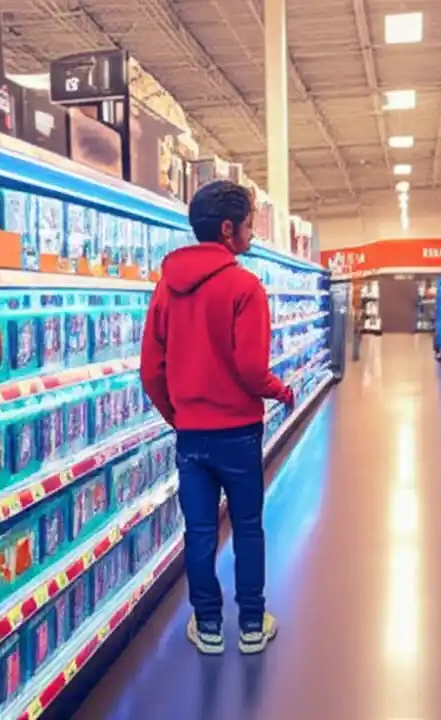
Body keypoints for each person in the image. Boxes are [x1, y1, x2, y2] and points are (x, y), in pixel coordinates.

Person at [139, 180, 295, 655]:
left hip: (192, 437)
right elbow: (250, 369)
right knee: (247, 527)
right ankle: (251, 625)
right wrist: (281, 390)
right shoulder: (245, 287)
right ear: (228, 230)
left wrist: (180, 415)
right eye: (249, 224)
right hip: (238, 434)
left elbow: (150, 370)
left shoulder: (166, 287)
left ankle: (207, 625)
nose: (252, 233)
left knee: (200, 532)